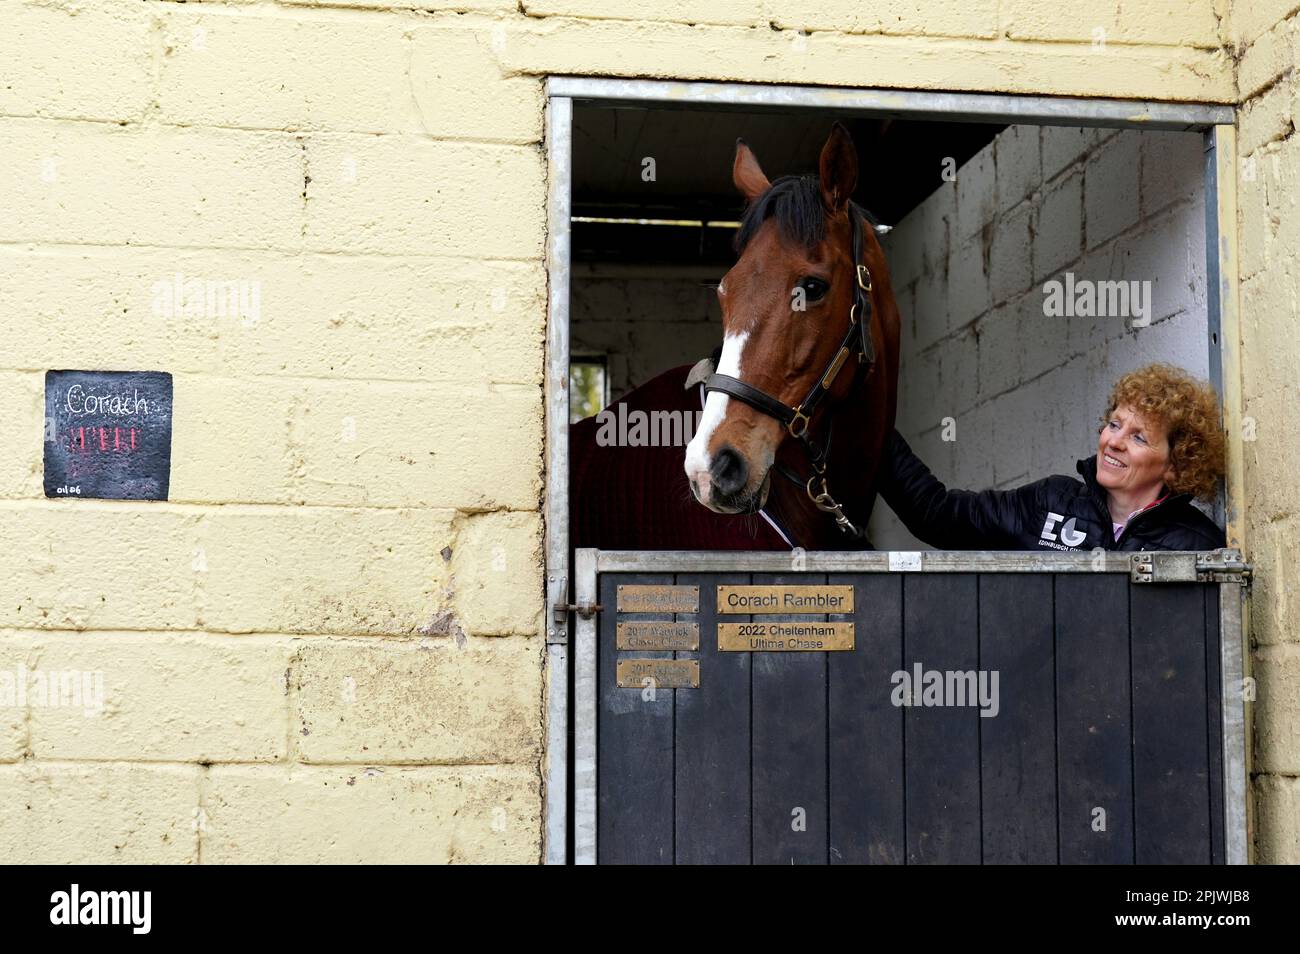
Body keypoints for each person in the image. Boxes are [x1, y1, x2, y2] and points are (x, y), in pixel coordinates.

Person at [877, 363, 1227, 552]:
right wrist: (870, 428)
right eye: (1114, 424)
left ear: (1175, 464)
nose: (1114, 441)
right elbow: (937, 515)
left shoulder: (1196, 545)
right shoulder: (1051, 502)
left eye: (1138, 437)